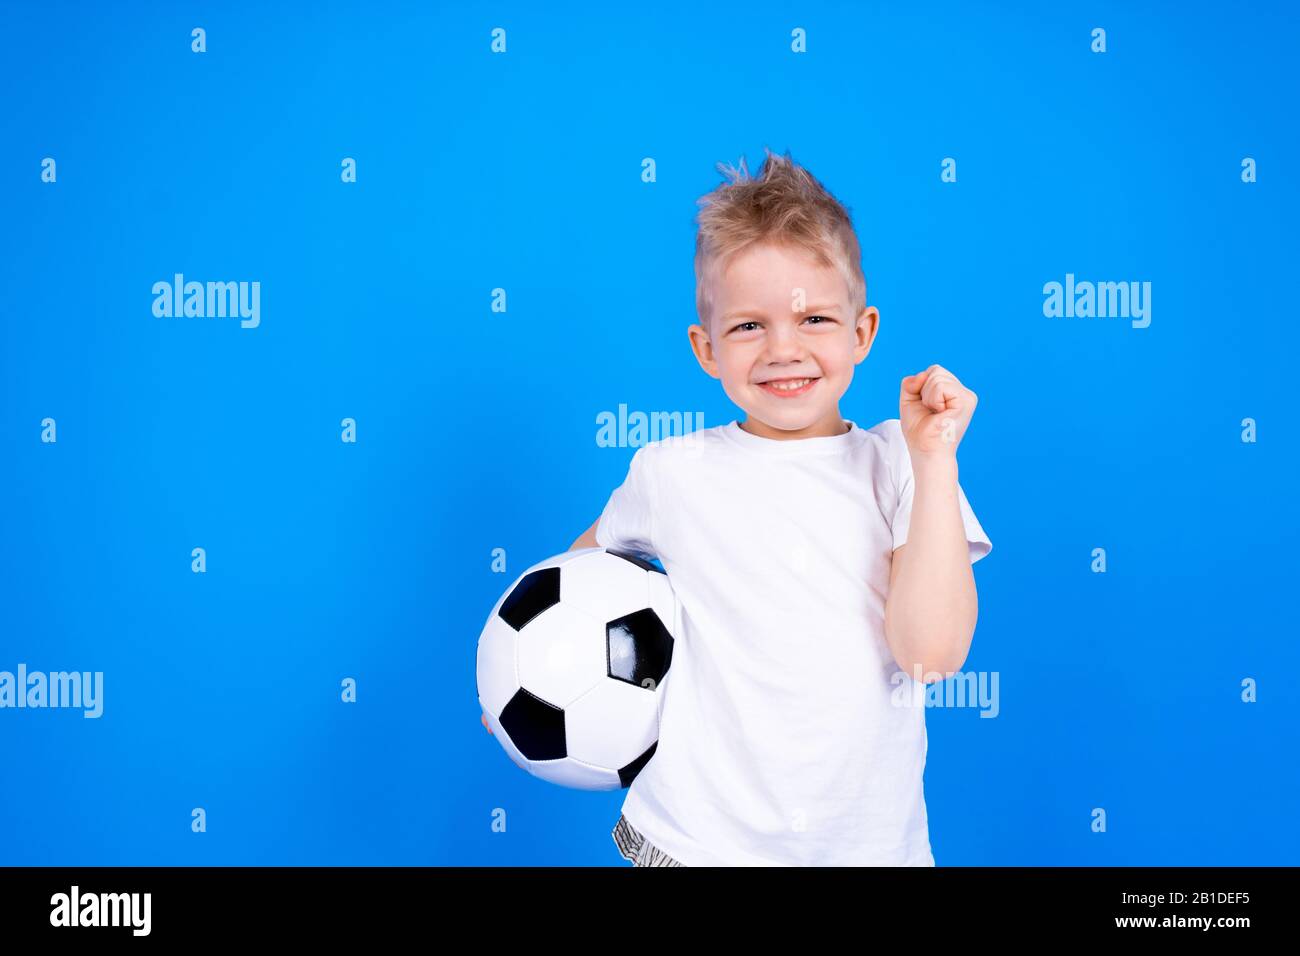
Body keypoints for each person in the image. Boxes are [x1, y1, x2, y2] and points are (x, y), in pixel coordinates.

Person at [498, 147, 993, 866]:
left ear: (863, 334)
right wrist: (523, 676)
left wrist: (935, 458)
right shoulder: (671, 472)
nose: (783, 349)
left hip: (865, 850)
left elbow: (932, 653)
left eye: (816, 318)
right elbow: (573, 581)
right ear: (706, 348)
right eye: (749, 326)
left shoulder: (900, 462)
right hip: (698, 843)